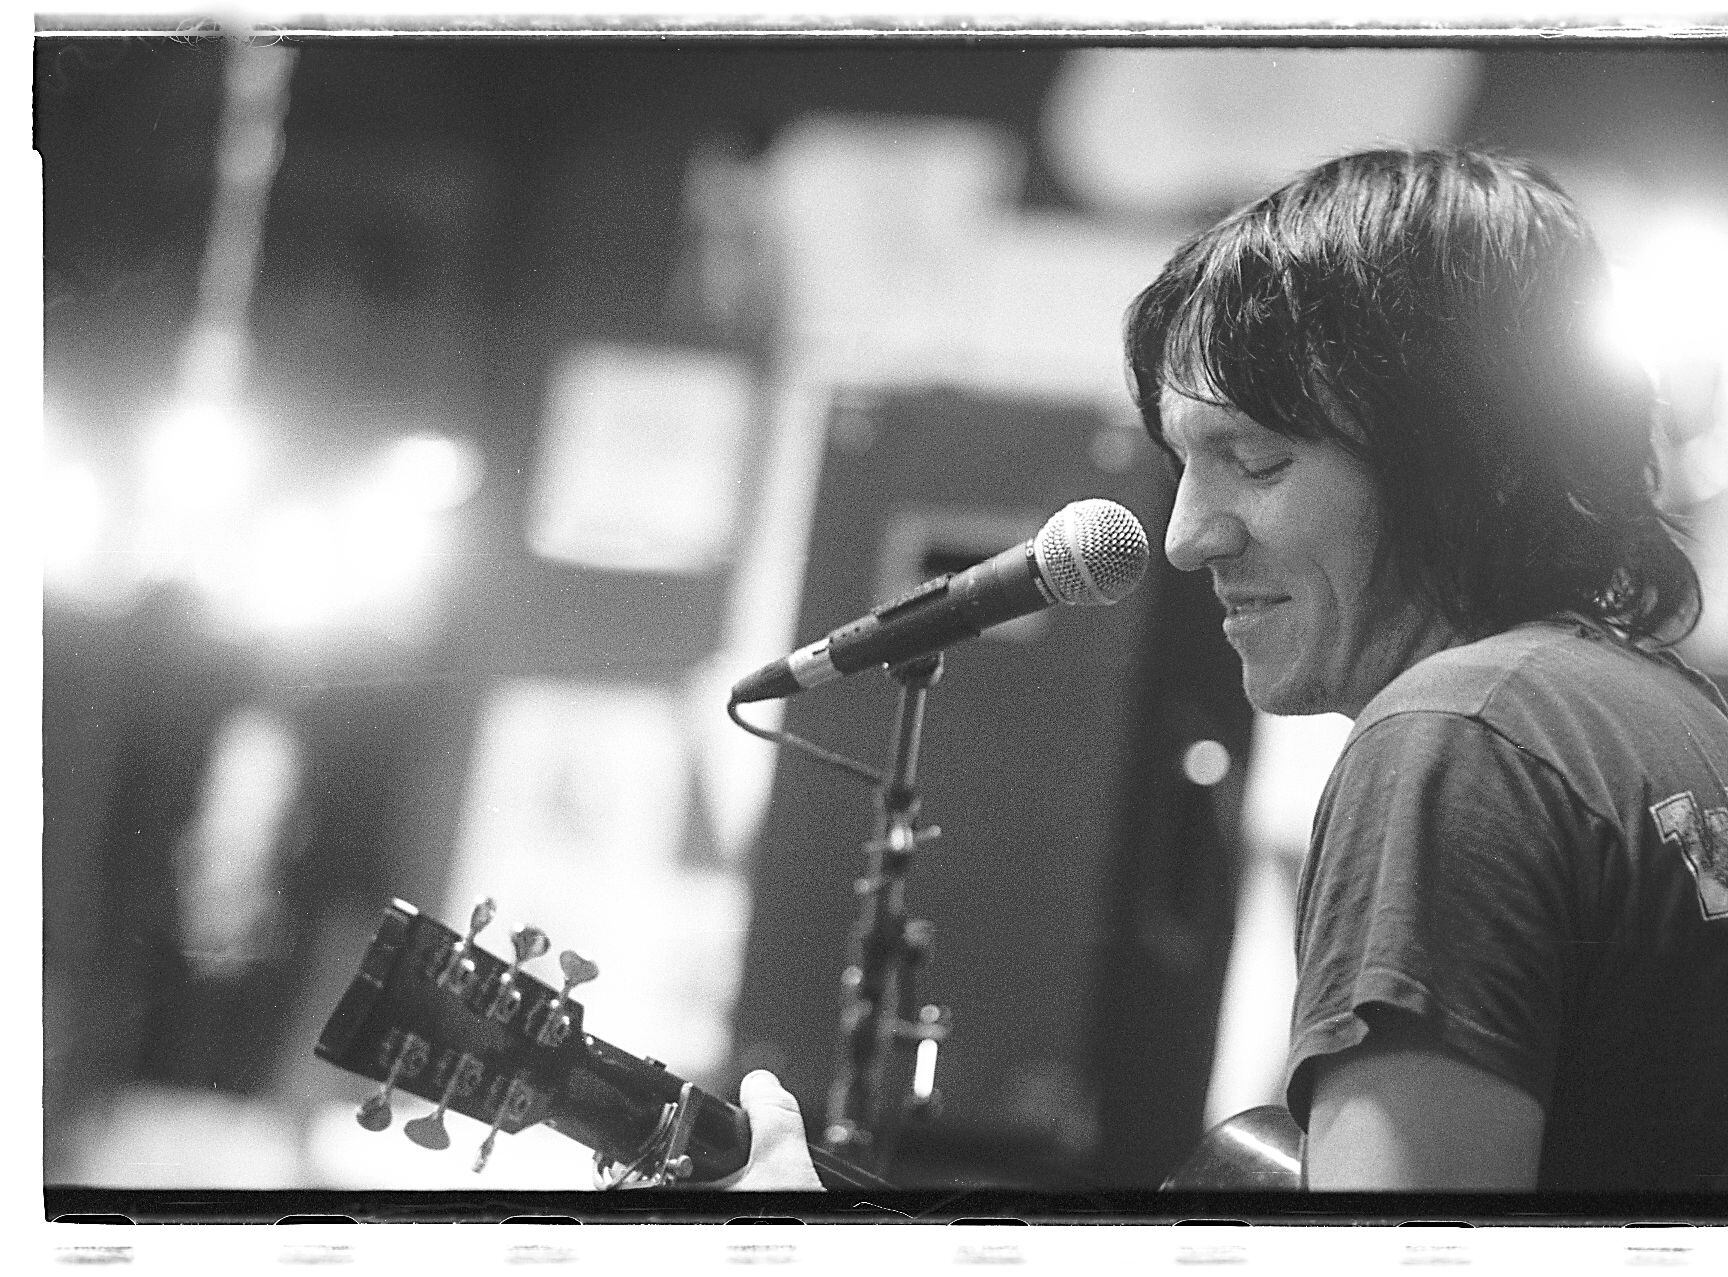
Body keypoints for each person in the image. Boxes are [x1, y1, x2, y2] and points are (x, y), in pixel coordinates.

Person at [727, 147, 1728, 1192]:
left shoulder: (1449, 741)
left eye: (1257, 461)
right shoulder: (1675, 721)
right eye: (1181, 463)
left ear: (1468, 457)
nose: (1185, 536)